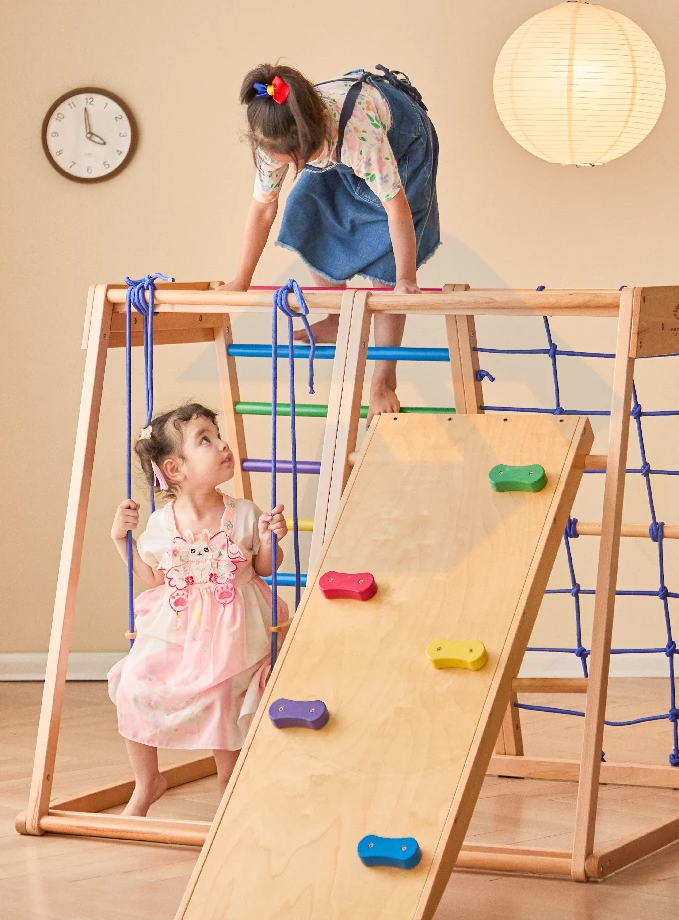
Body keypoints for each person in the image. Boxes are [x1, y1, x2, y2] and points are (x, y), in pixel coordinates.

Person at [223, 62, 440, 419]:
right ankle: (337, 315)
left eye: (299, 159)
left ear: (317, 126)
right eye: (284, 161)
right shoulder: (272, 139)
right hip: (331, 145)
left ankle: (384, 381)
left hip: (404, 141)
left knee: (388, 265)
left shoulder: (358, 136)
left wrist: (406, 281)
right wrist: (240, 280)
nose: (290, 167)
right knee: (305, 203)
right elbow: (263, 209)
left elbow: (397, 211)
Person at [108, 403, 288, 816]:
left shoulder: (243, 514)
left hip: (235, 633)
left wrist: (269, 538)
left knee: (224, 693)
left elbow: (263, 569)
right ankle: (148, 781)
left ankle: (229, 782)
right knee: (134, 683)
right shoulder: (160, 524)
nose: (222, 444)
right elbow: (154, 579)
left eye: (217, 434)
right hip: (176, 631)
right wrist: (122, 541)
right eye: (205, 439)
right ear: (174, 469)